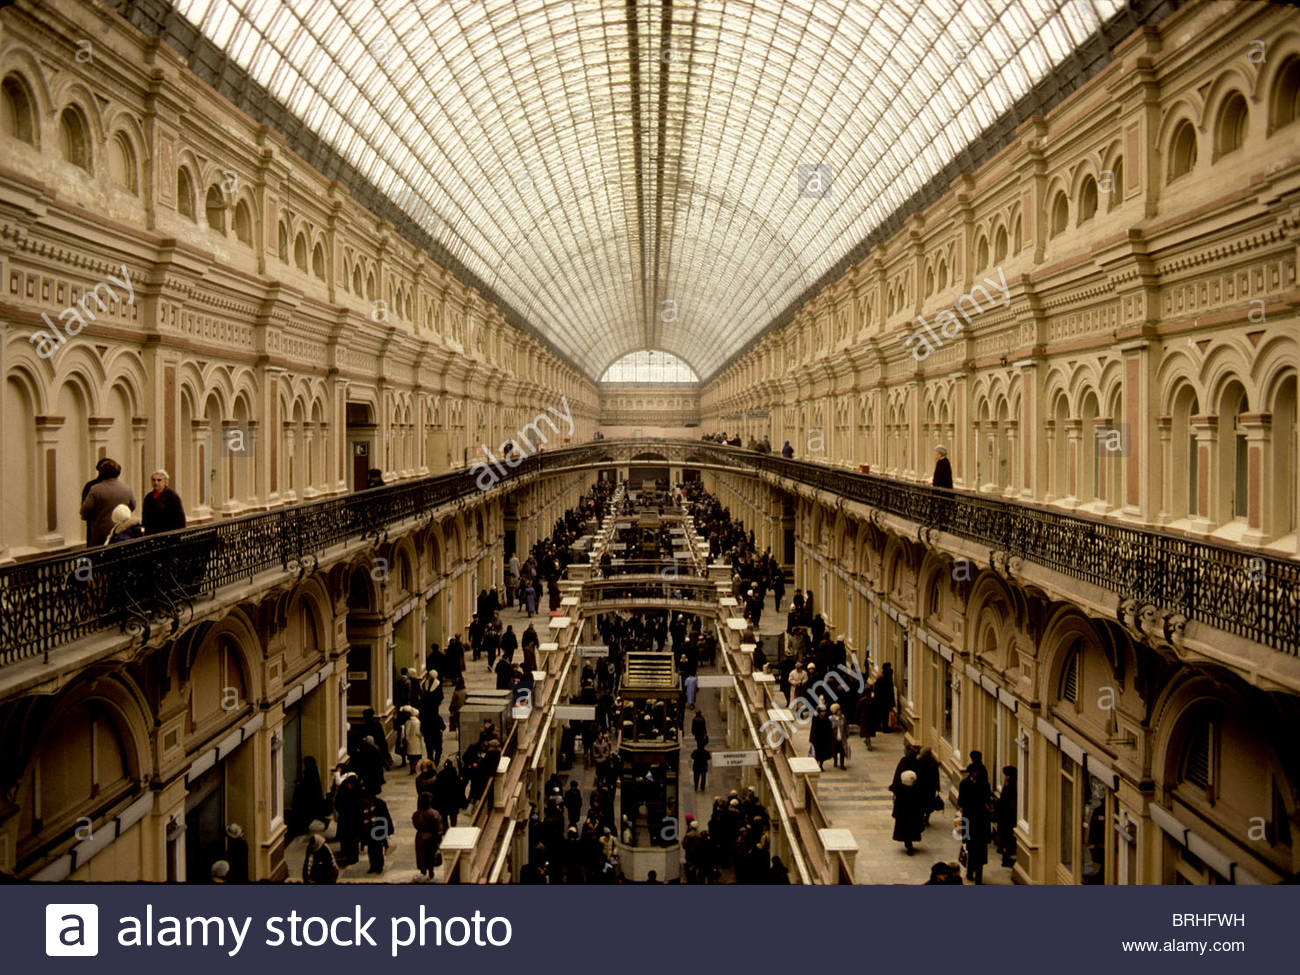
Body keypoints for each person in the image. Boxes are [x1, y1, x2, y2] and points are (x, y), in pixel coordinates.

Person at [81, 458, 135, 547]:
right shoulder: (126, 489)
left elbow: (85, 511)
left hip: (99, 532)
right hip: (121, 531)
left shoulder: (95, 489)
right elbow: (132, 506)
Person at [957, 762, 992, 883]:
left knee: (980, 851)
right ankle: (970, 872)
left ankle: (978, 875)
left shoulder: (983, 784)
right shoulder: (965, 783)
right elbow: (961, 801)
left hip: (981, 821)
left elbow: (988, 798)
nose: (977, 774)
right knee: (971, 850)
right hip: (971, 820)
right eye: (975, 772)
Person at [890, 768, 925, 855]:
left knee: (905, 830)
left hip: (903, 816)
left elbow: (897, 803)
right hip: (913, 815)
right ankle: (909, 844)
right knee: (911, 829)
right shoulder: (916, 790)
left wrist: (895, 814)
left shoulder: (901, 791)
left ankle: (908, 843)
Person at [142, 469, 187, 534]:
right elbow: (145, 518)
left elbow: (180, 520)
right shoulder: (148, 497)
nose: (156, 482)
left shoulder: (172, 496)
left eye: (159, 480)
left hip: (168, 534)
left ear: (165, 482)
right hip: (151, 534)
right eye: (153, 480)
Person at [411, 793, 444, 880]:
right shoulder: (434, 814)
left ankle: (423, 872)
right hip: (431, 838)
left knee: (421, 856)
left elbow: (415, 825)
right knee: (430, 856)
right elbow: (439, 829)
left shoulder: (416, 814)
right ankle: (431, 873)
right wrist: (439, 840)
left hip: (419, 838)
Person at [361, 794, 394, 874]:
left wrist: (388, 830)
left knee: (378, 849)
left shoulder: (380, 804)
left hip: (378, 830)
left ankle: (379, 866)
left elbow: (386, 817)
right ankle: (373, 866)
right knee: (371, 849)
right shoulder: (362, 804)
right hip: (368, 831)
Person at [996, 766, 1018, 867]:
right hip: (1005, 816)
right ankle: (1005, 856)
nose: (1005, 777)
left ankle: (1006, 855)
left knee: (1007, 837)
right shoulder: (1009, 784)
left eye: (1007, 775)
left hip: (1007, 816)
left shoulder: (1011, 785)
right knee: (1006, 837)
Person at [401, 705, 424, 774]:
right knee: (416, 757)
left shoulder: (407, 722)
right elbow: (418, 732)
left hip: (409, 741)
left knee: (411, 757)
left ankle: (412, 768)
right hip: (416, 741)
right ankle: (413, 769)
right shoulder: (417, 722)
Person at [828, 703, 849, 768]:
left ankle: (842, 764)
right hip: (834, 738)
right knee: (835, 751)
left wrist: (847, 734)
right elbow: (829, 728)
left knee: (842, 751)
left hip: (842, 738)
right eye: (838, 710)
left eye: (840, 710)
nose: (840, 711)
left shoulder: (843, 717)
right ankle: (835, 762)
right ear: (835, 711)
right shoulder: (830, 719)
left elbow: (846, 727)